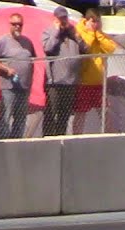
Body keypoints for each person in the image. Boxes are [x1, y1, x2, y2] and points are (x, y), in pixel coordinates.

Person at [41, 6, 86, 135]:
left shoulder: (73, 33)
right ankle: (48, 138)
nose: (63, 21)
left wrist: (76, 36)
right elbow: (48, 48)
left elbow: (86, 49)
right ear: (55, 19)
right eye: (61, 18)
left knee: (64, 115)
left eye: (65, 18)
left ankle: (61, 137)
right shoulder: (48, 32)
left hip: (71, 81)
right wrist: (56, 32)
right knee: (51, 113)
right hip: (55, 82)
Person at [0, 13, 34, 139]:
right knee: (6, 116)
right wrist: (7, 69)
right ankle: (3, 142)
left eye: (20, 24)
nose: (17, 27)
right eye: (14, 24)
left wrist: (30, 80)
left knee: (21, 117)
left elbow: (33, 60)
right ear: (9, 25)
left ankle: (17, 142)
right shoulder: (2, 41)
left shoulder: (27, 42)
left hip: (24, 86)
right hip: (8, 86)